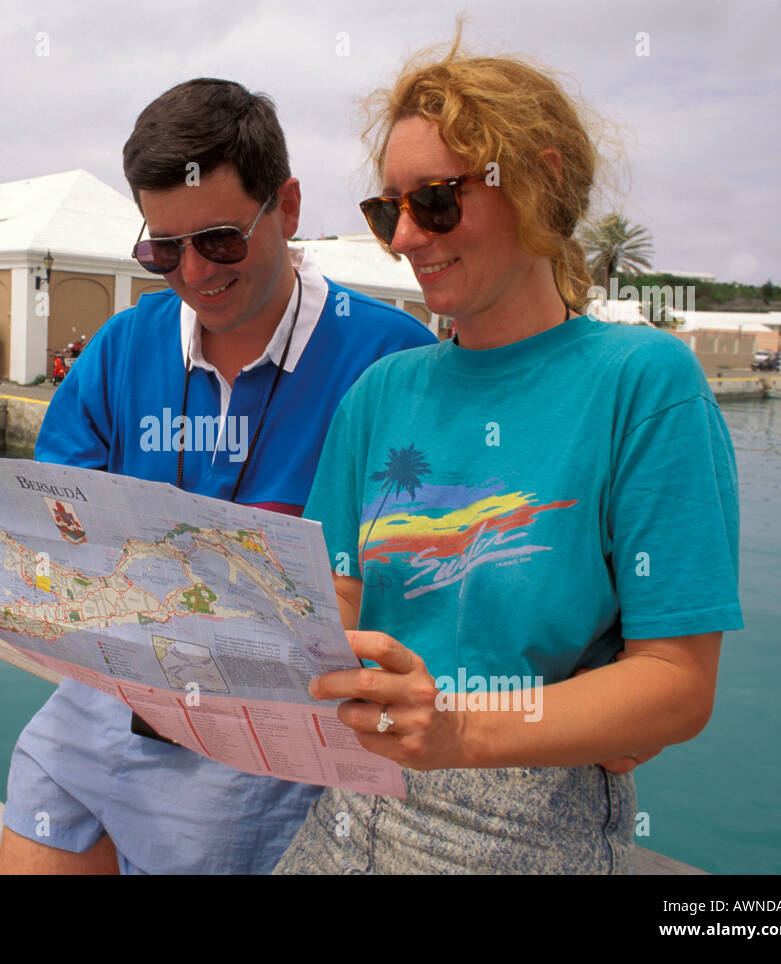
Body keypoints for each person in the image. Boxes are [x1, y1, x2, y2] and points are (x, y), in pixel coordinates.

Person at [0, 78, 439, 874]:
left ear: (289, 207)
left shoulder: (393, 360)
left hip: (262, 735)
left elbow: (445, 569)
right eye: (163, 250)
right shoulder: (122, 345)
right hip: (103, 700)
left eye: (221, 240)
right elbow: (46, 522)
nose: (193, 272)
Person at [272, 36, 742, 874]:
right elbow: (336, 601)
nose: (408, 236)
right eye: (389, 212)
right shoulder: (381, 391)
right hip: (347, 809)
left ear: (542, 182)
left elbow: (678, 680)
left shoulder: (644, 384)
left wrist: (455, 729)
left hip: (522, 834)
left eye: (438, 201)